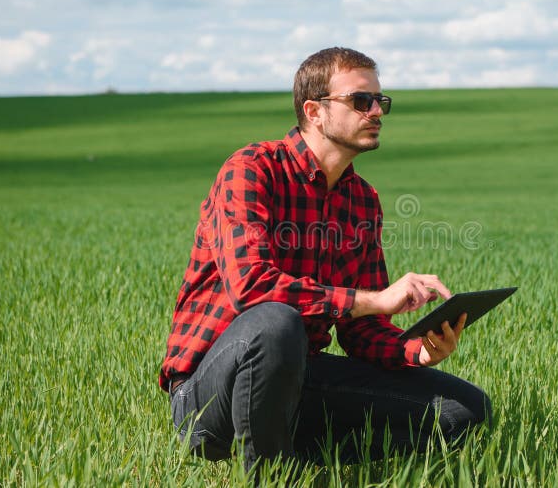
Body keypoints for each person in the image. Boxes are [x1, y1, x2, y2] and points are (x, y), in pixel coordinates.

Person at [159, 47, 491, 471]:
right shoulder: (251, 170)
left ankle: (306, 464)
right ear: (314, 111)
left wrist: (416, 351)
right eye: (361, 101)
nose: (377, 112)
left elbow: (361, 331)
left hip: (302, 379)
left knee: (464, 411)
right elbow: (252, 288)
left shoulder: (362, 199)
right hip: (206, 396)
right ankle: (271, 477)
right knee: (276, 322)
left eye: (380, 102)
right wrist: (373, 299)